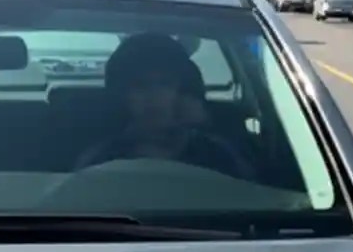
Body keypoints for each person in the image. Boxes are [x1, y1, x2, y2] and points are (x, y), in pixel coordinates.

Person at [75, 32, 259, 181]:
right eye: (141, 86)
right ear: (121, 96)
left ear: (184, 92)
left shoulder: (219, 156)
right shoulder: (101, 159)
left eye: (165, 84)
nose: (154, 97)